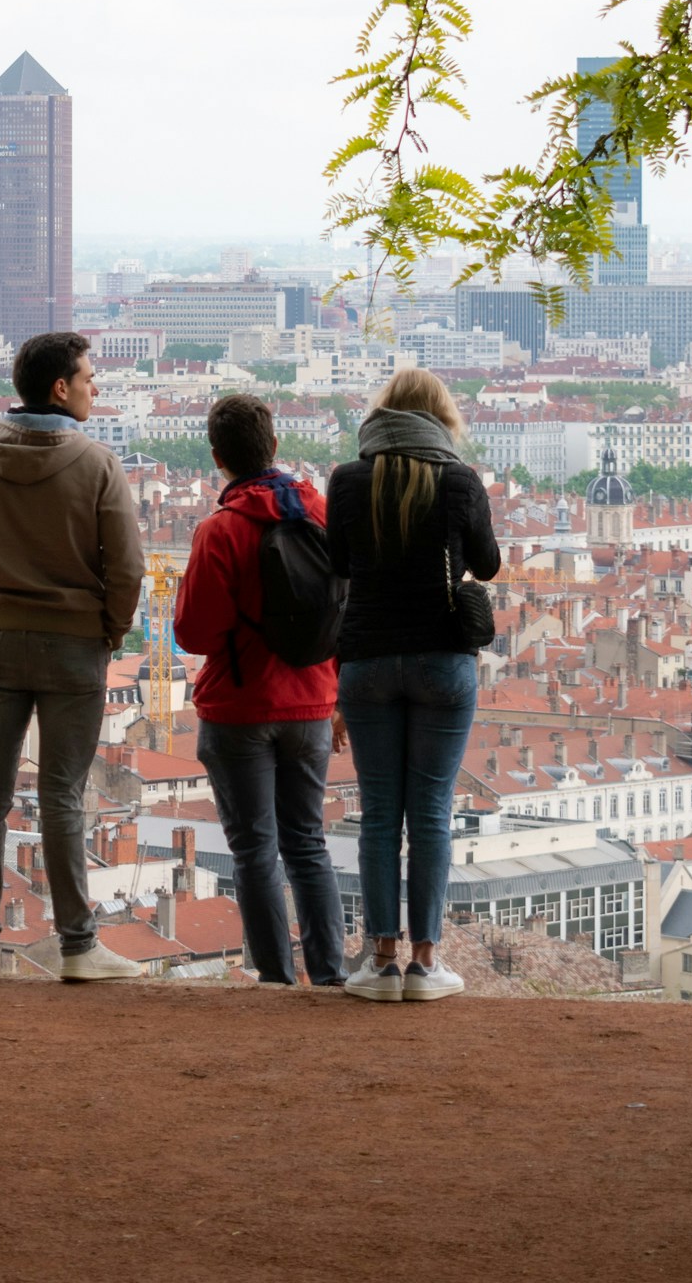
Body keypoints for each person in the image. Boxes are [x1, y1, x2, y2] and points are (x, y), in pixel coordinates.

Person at [0, 330, 146, 982]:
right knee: (61, 797)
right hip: (76, 646)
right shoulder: (97, 464)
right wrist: (109, 630)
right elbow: (128, 569)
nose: (93, 387)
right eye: (87, 377)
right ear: (60, 387)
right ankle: (77, 947)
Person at [325, 366, 501, 1002]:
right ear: (441, 418)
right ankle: (426, 963)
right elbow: (487, 563)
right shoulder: (458, 480)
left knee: (378, 815)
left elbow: (338, 565)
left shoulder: (347, 480)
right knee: (429, 813)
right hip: (441, 657)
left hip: (367, 659)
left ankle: (379, 961)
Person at [172, 392, 344, 987]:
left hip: (239, 704)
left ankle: (276, 979)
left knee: (255, 852)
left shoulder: (220, 530)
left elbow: (194, 634)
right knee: (308, 846)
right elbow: (345, 608)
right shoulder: (319, 511)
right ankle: (329, 974)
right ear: (274, 445)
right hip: (313, 699)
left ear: (218, 457)